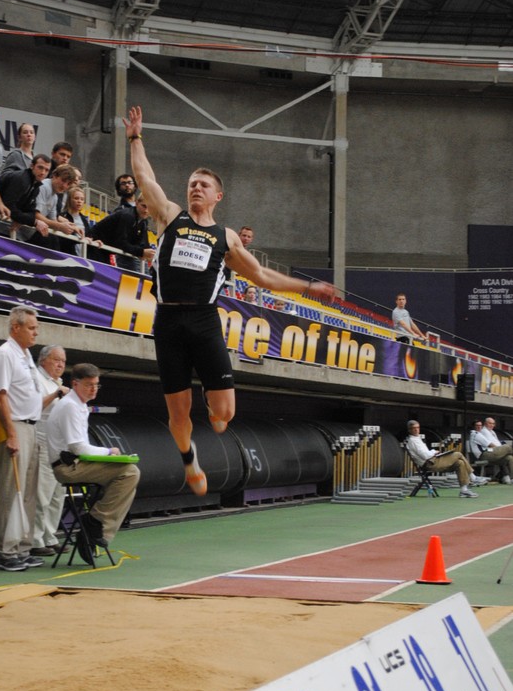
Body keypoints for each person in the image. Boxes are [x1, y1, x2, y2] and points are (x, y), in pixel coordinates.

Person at [124, 103, 338, 495]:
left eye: (203, 185)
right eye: (192, 183)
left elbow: (262, 277)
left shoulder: (226, 238)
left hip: (204, 322)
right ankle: (189, 458)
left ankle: (213, 402)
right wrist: (135, 137)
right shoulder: (169, 216)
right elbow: (144, 176)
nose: (195, 188)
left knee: (224, 416)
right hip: (168, 322)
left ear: (218, 196)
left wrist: (308, 288)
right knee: (178, 414)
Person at [46, 363, 139, 562]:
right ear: (75, 384)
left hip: (75, 464)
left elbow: (80, 447)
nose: (94, 389)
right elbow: (78, 447)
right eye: (89, 385)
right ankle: (95, 523)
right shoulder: (70, 406)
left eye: (96, 385)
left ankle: (97, 526)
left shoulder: (79, 406)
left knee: (129, 478)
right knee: (130, 473)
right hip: (68, 467)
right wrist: (109, 452)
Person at [0, 305, 53, 571]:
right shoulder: (5, 354)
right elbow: (0, 396)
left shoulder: (25, 355)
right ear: (16, 328)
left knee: (28, 491)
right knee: (11, 489)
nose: (36, 333)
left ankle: (22, 547)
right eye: (31, 328)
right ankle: (5, 551)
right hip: (15, 426)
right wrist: (11, 434)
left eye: (37, 328)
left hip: (32, 426)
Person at [32, 345, 69, 556]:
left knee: (57, 495)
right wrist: (56, 394)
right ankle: (35, 540)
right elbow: (33, 408)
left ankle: (50, 536)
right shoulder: (36, 378)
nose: (60, 364)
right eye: (56, 360)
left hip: (59, 447)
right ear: (44, 360)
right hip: (42, 443)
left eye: (63, 361)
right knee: (42, 494)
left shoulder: (58, 382)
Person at [405, 420, 484, 498]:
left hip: (432, 461)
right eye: (414, 428)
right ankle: (473, 477)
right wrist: (434, 451)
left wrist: (433, 453)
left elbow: (425, 454)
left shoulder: (416, 439)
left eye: (418, 427)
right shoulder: (413, 441)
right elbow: (425, 455)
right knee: (458, 454)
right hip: (430, 463)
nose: (416, 430)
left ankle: (464, 490)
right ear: (409, 430)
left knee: (460, 463)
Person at [92, 192, 155, 271]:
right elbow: (120, 242)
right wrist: (141, 252)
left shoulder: (144, 221)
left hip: (105, 250)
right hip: (95, 246)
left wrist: (149, 254)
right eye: (144, 206)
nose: (146, 211)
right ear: (136, 203)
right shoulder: (128, 216)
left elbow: (144, 243)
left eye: (149, 208)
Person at [0, 153, 51, 242]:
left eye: (46, 170)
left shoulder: (36, 186)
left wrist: (22, 220)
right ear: (31, 166)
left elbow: (31, 211)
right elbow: (9, 207)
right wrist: (35, 222)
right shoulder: (21, 179)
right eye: (40, 168)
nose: (43, 173)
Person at [34, 163, 80, 252]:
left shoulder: (55, 196)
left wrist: (71, 227)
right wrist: (60, 226)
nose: (64, 186)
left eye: (68, 184)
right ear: (54, 176)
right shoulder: (44, 186)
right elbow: (35, 215)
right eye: (63, 180)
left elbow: (53, 220)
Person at [472, 416, 513, 483]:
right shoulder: (483, 431)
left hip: (493, 453)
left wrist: (501, 450)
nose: (492, 425)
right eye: (490, 423)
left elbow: (496, 443)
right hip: (486, 454)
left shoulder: (492, 432)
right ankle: (504, 476)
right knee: (508, 447)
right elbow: (490, 445)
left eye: (493, 424)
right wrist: (501, 449)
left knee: (510, 458)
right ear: (485, 424)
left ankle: (511, 478)